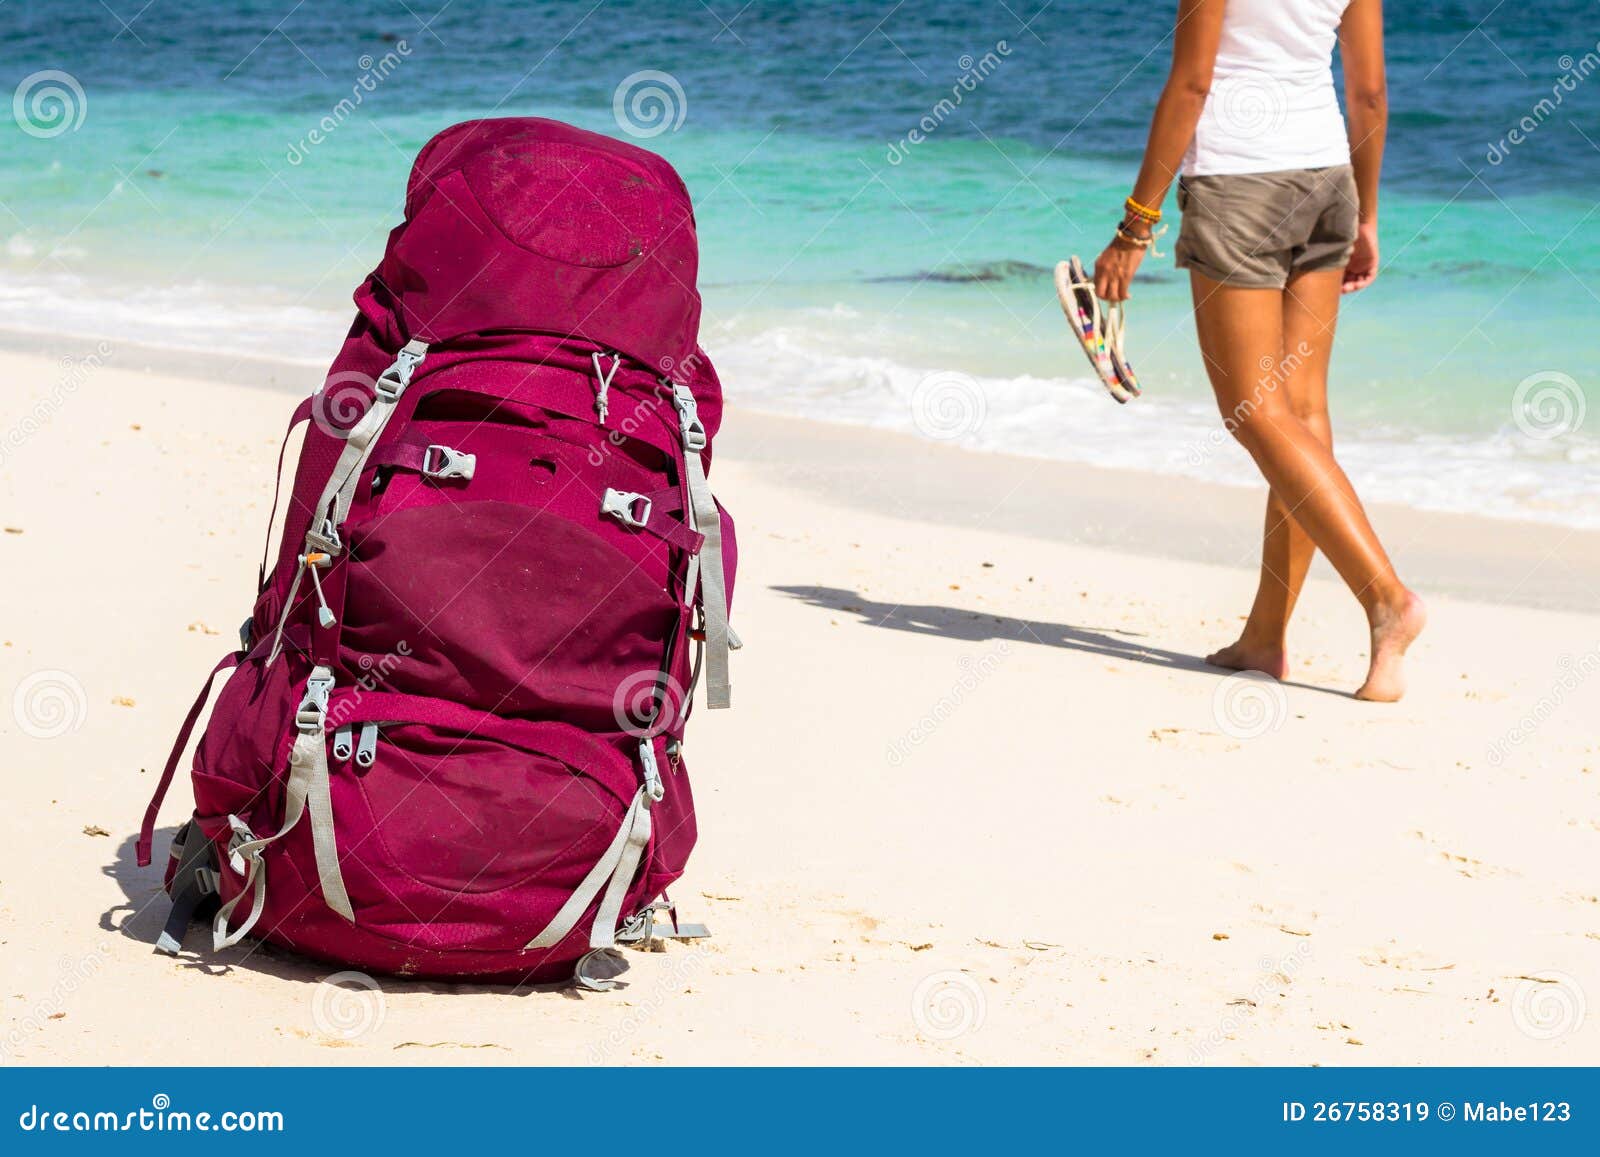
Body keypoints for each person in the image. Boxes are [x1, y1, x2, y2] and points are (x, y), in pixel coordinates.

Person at [1094, 0, 1424, 701]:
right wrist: (1366, 213)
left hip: (1239, 184)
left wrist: (1135, 226)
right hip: (1326, 175)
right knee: (1301, 411)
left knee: (1255, 412)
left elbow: (1192, 82)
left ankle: (1386, 598)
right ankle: (1267, 635)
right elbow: (1368, 91)